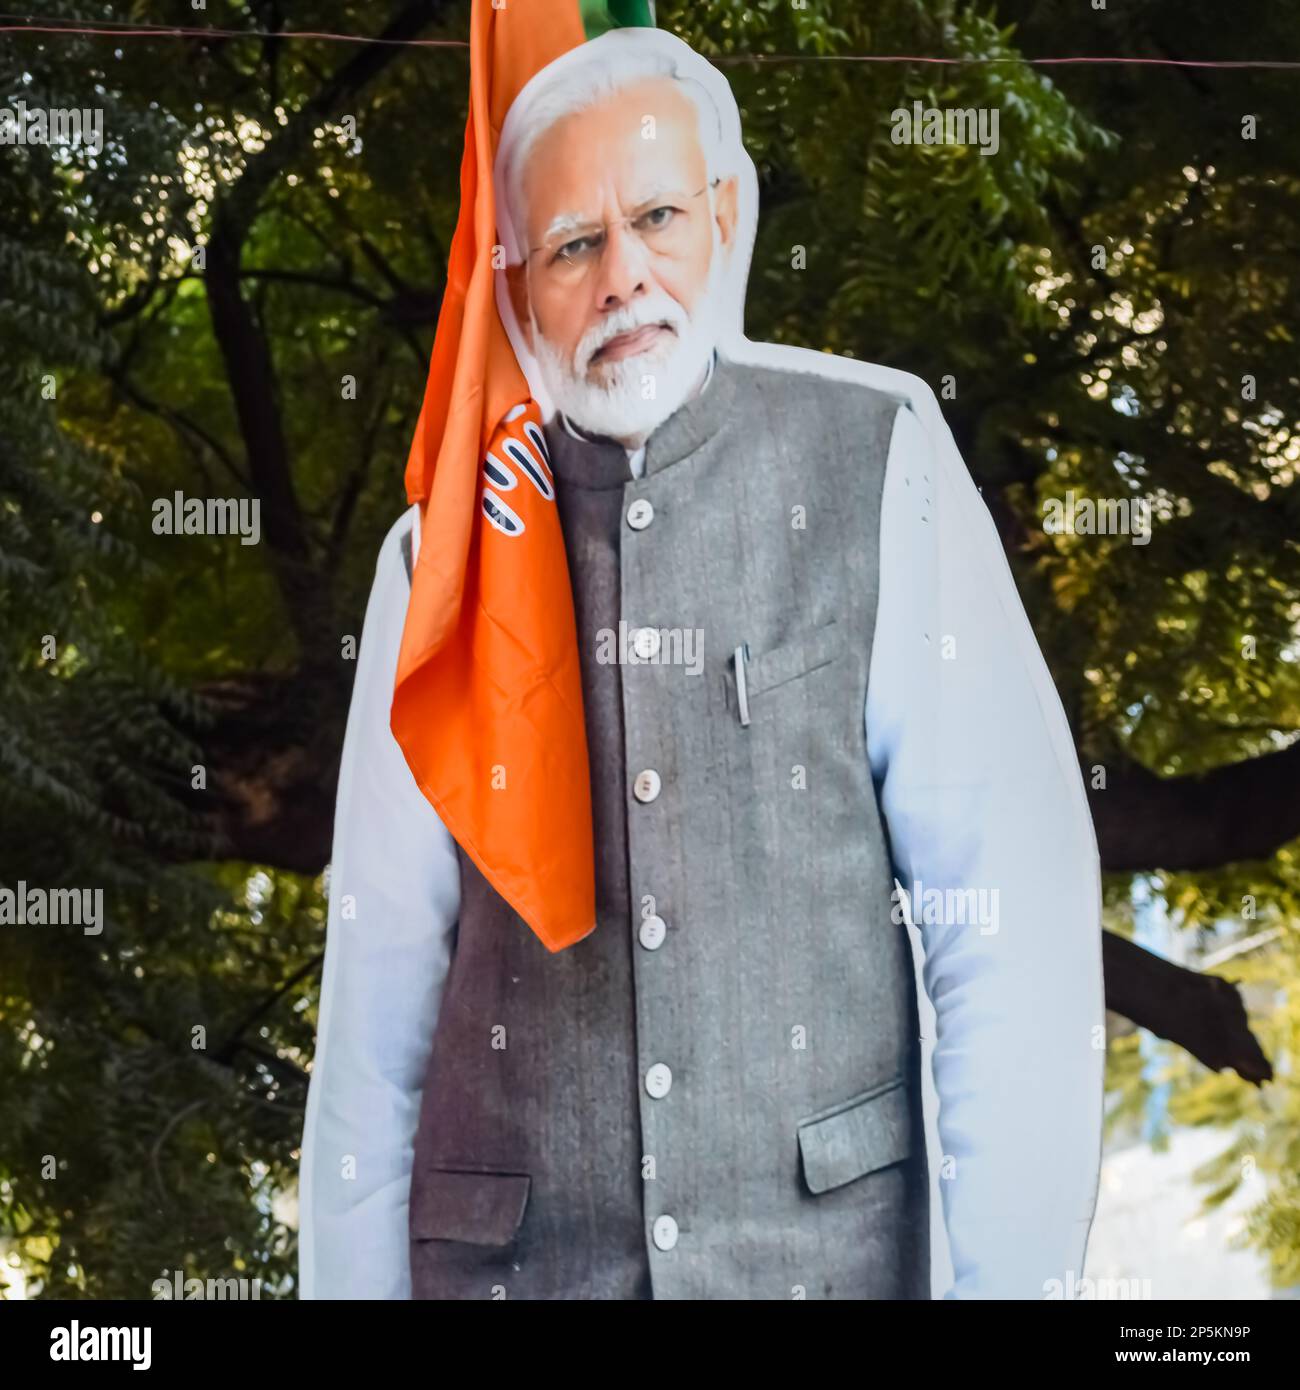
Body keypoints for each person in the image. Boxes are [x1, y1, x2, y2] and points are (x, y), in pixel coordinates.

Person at [299, 27, 1104, 1301]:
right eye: (572, 244)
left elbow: (1004, 934)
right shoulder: (441, 562)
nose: (623, 276)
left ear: (723, 219)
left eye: (656, 216)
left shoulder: (876, 459)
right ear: (515, 285)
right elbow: (375, 1011)